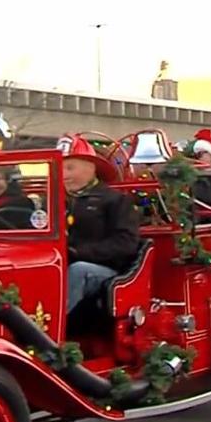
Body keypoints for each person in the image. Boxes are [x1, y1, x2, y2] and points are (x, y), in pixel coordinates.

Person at [59, 135, 140, 314]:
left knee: (78, 271)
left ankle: (46, 331)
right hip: (60, 265)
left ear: (91, 168)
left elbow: (126, 243)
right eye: (59, 168)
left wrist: (79, 252)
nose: (63, 175)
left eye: (70, 168)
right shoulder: (53, 201)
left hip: (107, 270)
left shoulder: (115, 200)